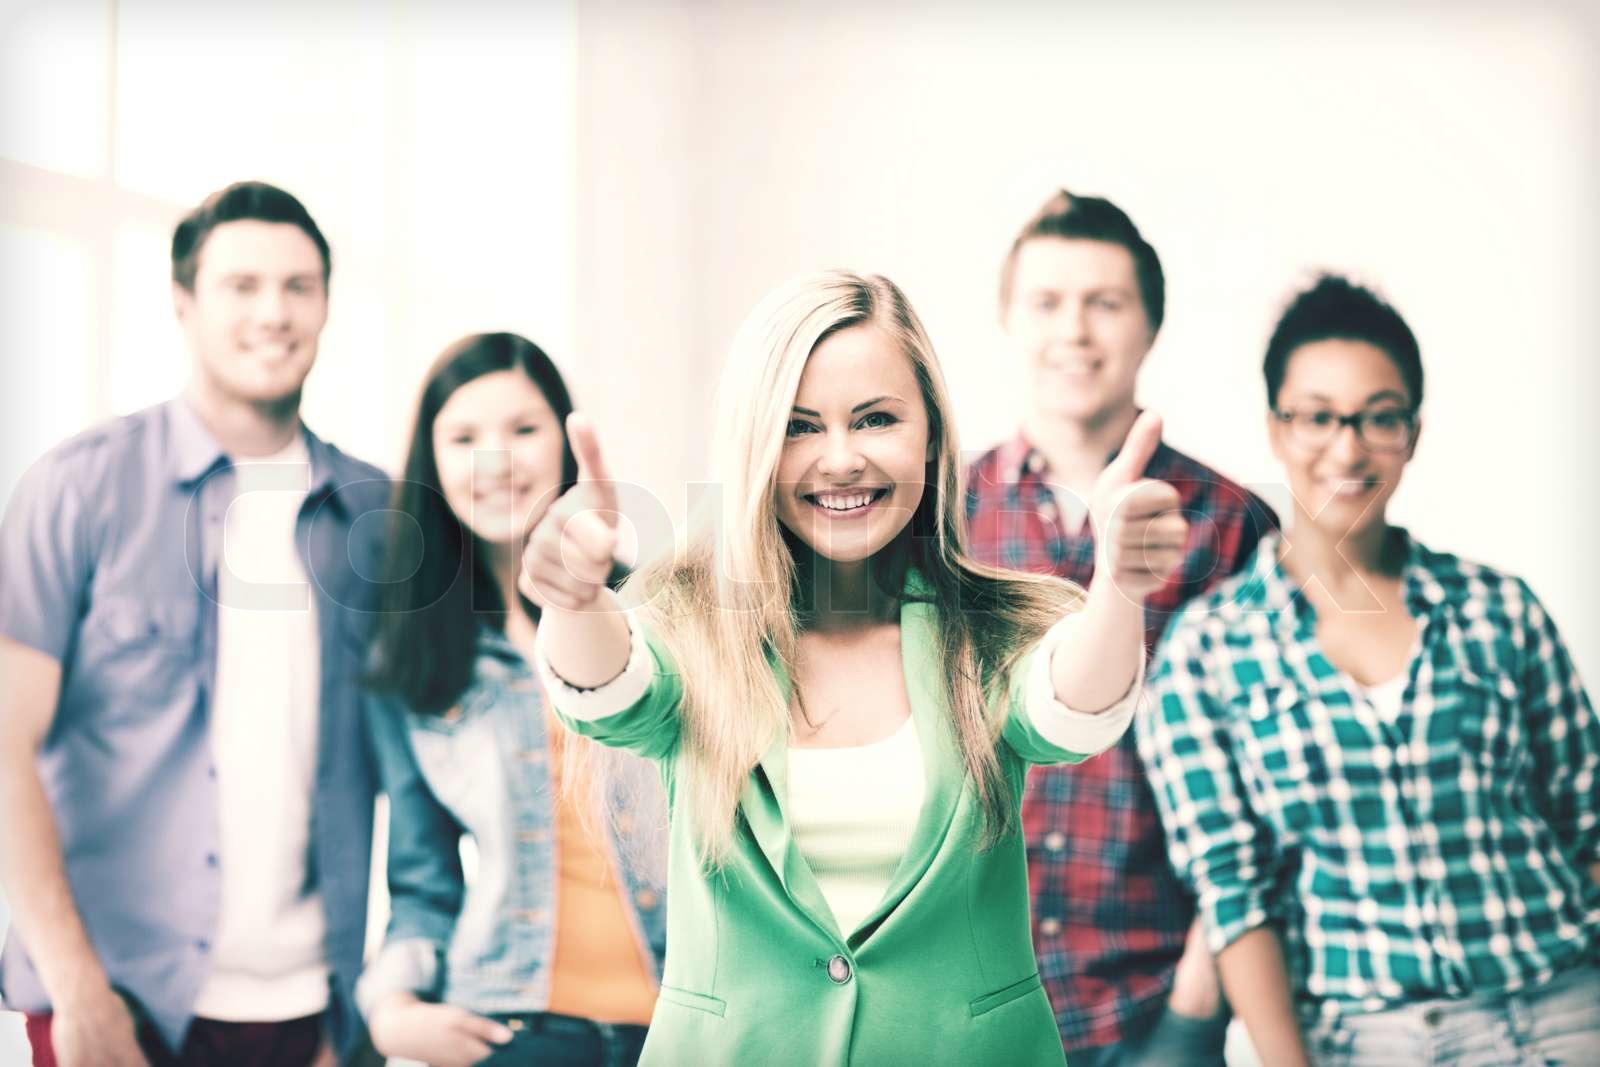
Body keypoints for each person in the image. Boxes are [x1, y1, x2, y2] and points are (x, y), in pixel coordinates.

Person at [521, 269, 1185, 1065]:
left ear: (932, 435)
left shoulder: (985, 633)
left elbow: (1072, 710)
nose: (841, 459)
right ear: (755, 446)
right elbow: (609, 690)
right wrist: (573, 600)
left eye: (875, 419)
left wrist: (1117, 584)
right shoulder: (695, 625)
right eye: (800, 427)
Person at [1138, 274, 1600, 1065]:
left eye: (1378, 417)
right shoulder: (1207, 652)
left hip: (1559, 1009)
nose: (1347, 448)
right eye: (1318, 416)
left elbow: (1586, 819)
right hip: (1358, 1038)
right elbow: (1235, 899)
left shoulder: (1500, 608)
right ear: (1277, 428)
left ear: (1412, 433)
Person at [0, 181, 389, 1067]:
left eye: (299, 286)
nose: (274, 313)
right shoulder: (79, 486)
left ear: (326, 305)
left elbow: (422, 755)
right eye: (242, 285)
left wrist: (363, 1013)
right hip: (116, 1005)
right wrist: (76, 992)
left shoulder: (377, 513)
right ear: (183, 303)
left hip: (314, 1015)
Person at [965, 189, 1277, 1064]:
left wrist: (1196, 1001)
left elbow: (1266, 781)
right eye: (1048, 302)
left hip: (1155, 1011)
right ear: (1009, 319)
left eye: (1105, 303)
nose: (1076, 331)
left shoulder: (1228, 523)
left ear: (1149, 327)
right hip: (971, 1006)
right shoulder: (942, 517)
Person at [356, 332, 667, 1067]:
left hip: (682, 1021)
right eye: (464, 436)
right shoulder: (415, 658)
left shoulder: (658, 614)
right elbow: (422, 881)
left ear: (565, 440)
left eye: (523, 429)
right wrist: (389, 1006)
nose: (495, 460)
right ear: (430, 459)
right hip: (510, 1031)